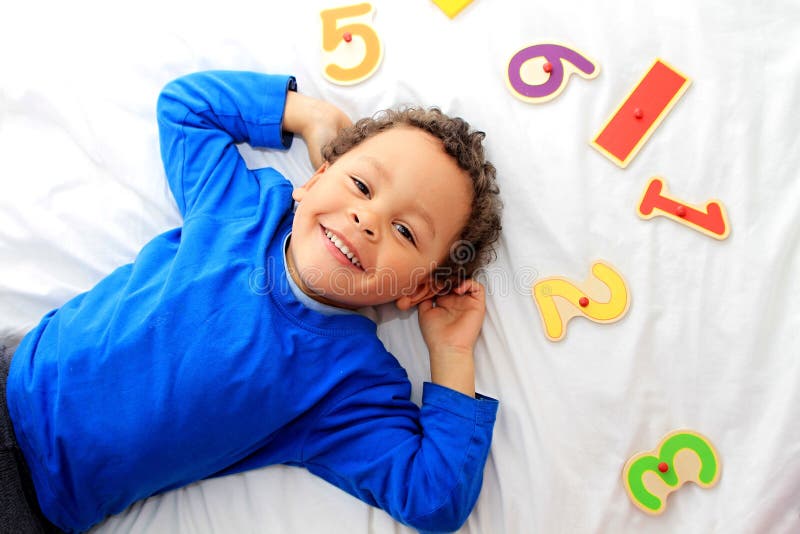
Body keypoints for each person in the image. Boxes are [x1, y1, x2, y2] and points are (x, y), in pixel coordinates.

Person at [1, 70, 503, 533]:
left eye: (404, 231)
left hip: (32, 501)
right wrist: (306, 115)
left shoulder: (349, 384)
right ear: (313, 180)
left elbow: (434, 499)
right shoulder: (244, 206)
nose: (367, 219)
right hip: (13, 373)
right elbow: (186, 107)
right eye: (361, 185)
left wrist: (452, 357)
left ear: (416, 290)